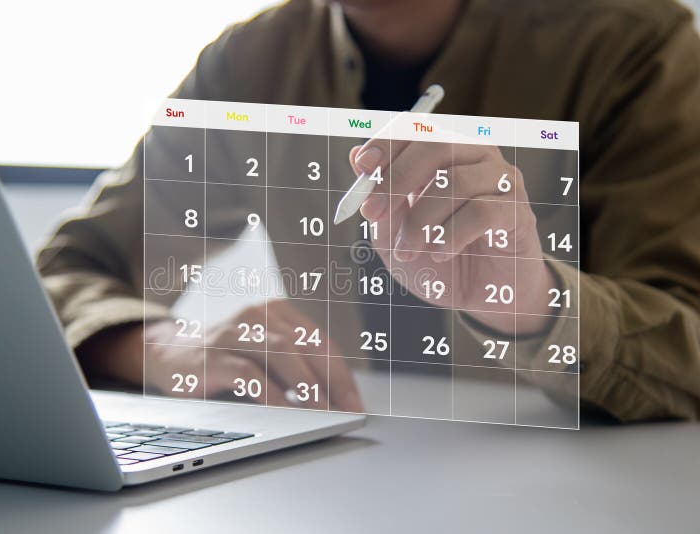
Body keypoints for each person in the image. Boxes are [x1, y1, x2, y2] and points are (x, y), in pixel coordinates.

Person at [37, 0, 700, 421]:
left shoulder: (635, 47)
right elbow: (61, 273)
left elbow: (688, 346)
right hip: (329, 481)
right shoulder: (246, 62)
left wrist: (532, 301)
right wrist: (160, 345)